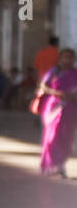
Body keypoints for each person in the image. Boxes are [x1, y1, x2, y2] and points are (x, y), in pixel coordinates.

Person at [36, 47, 77, 178]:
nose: (68, 60)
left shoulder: (75, 73)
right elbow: (43, 85)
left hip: (70, 108)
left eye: (70, 57)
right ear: (60, 58)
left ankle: (60, 165)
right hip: (53, 107)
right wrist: (57, 93)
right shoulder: (54, 71)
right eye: (65, 57)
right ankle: (51, 164)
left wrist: (72, 95)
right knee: (52, 136)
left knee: (66, 137)